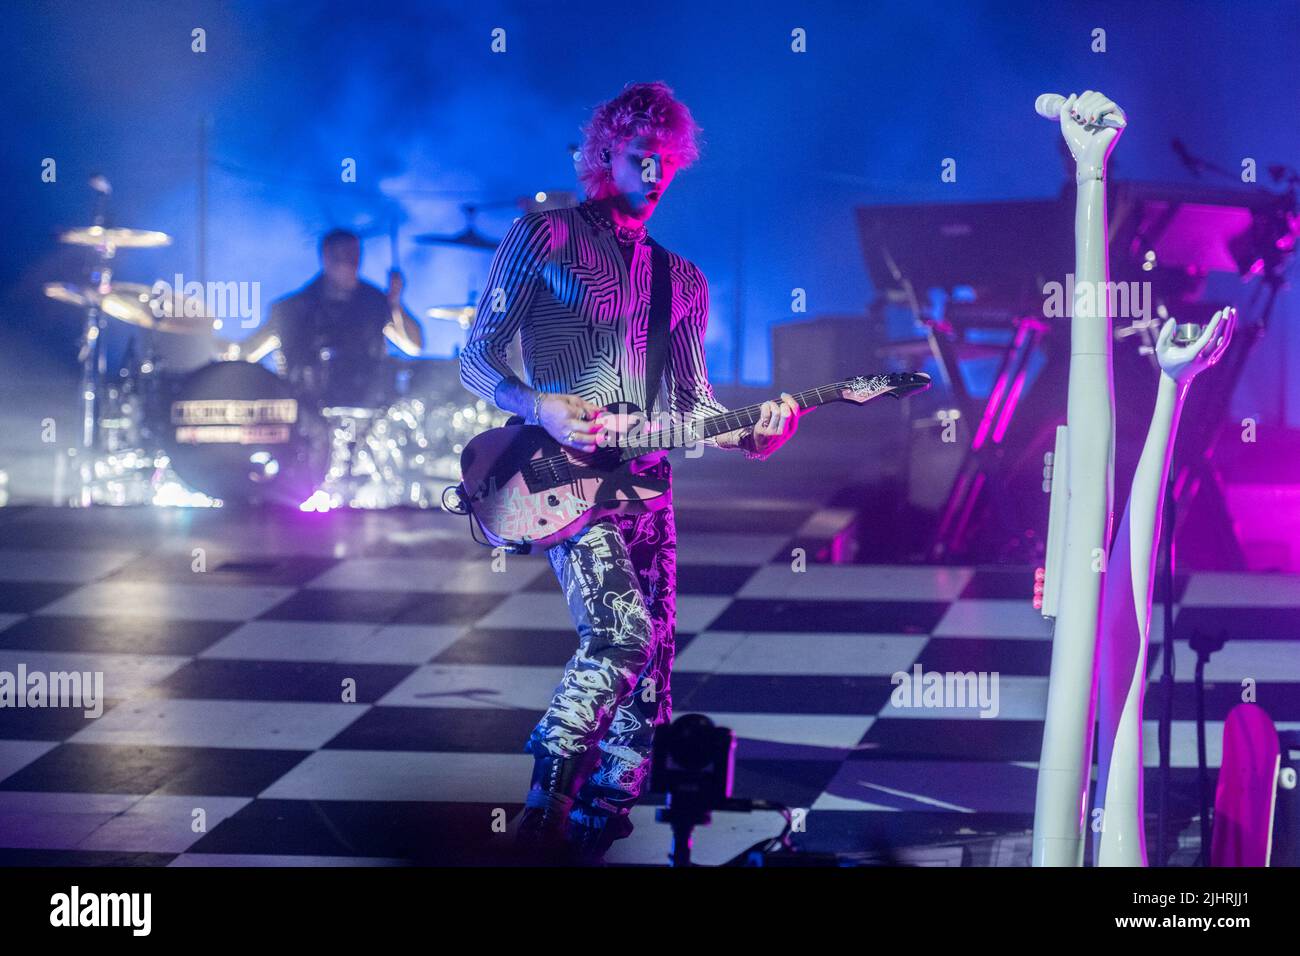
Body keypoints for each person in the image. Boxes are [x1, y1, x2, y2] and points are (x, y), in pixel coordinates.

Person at [459, 81, 805, 863]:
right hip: (562, 480)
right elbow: (474, 357)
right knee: (621, 636)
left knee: (651, 676)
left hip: (649, 487)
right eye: (637, 157)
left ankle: (599, 825)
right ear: (601, 157)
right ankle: (547, 796)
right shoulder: (542, 237)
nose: (652, 173)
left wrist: (751, 436)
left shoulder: (682, 280)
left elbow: (697, 404)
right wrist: (538, 405)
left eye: (664, 162)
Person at [241, 229, 423, 406]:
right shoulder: (292, 309)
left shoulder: (374, 305)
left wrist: (395, 305)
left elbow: (414, 345)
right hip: (305, 412)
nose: (351, 262)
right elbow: (248, 352)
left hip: (366, 411)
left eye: (355, 255)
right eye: (343, 255)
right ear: (326, 257)